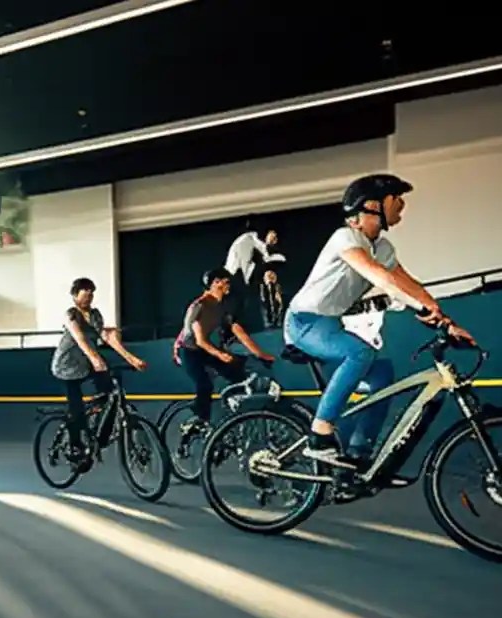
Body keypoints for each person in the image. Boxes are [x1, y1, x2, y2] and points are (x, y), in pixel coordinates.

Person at [284, 174, 475, 485]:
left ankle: (358, 457)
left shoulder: (381, 246)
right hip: (304, 321)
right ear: (372, 206)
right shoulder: (346, 238)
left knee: (382, 372)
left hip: (329, 324)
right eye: (396, 198)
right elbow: (379, 278)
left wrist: (448, 323)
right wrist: (420, 309)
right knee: (359, 353)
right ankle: (320, 435)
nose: (402, 205)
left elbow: (409, 284)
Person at [50, 277, 147, 465]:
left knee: (110, 392)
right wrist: (95, 358)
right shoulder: (71, 314)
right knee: (76, 410)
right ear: (75, 296)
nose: (88, 298)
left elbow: (107, 338)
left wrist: (131, 358)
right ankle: (75, 445)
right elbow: (80, 338)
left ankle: (97, 431)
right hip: (67, 366)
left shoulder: (95, 315)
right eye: (84, 294)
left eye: (91, 294)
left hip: (88, 364)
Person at [173, 268, 276, 437]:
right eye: (226, 282)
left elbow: (237, 329)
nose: (229, 286)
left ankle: (236, 409)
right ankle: (198, 420)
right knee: (204, 383)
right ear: (215, 283)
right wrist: (220, 355)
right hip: (189, 351)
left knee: (237, 372)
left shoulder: (220, 307)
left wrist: (260, 353)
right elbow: (200, 340)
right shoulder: (199, 306)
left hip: (205, 349)